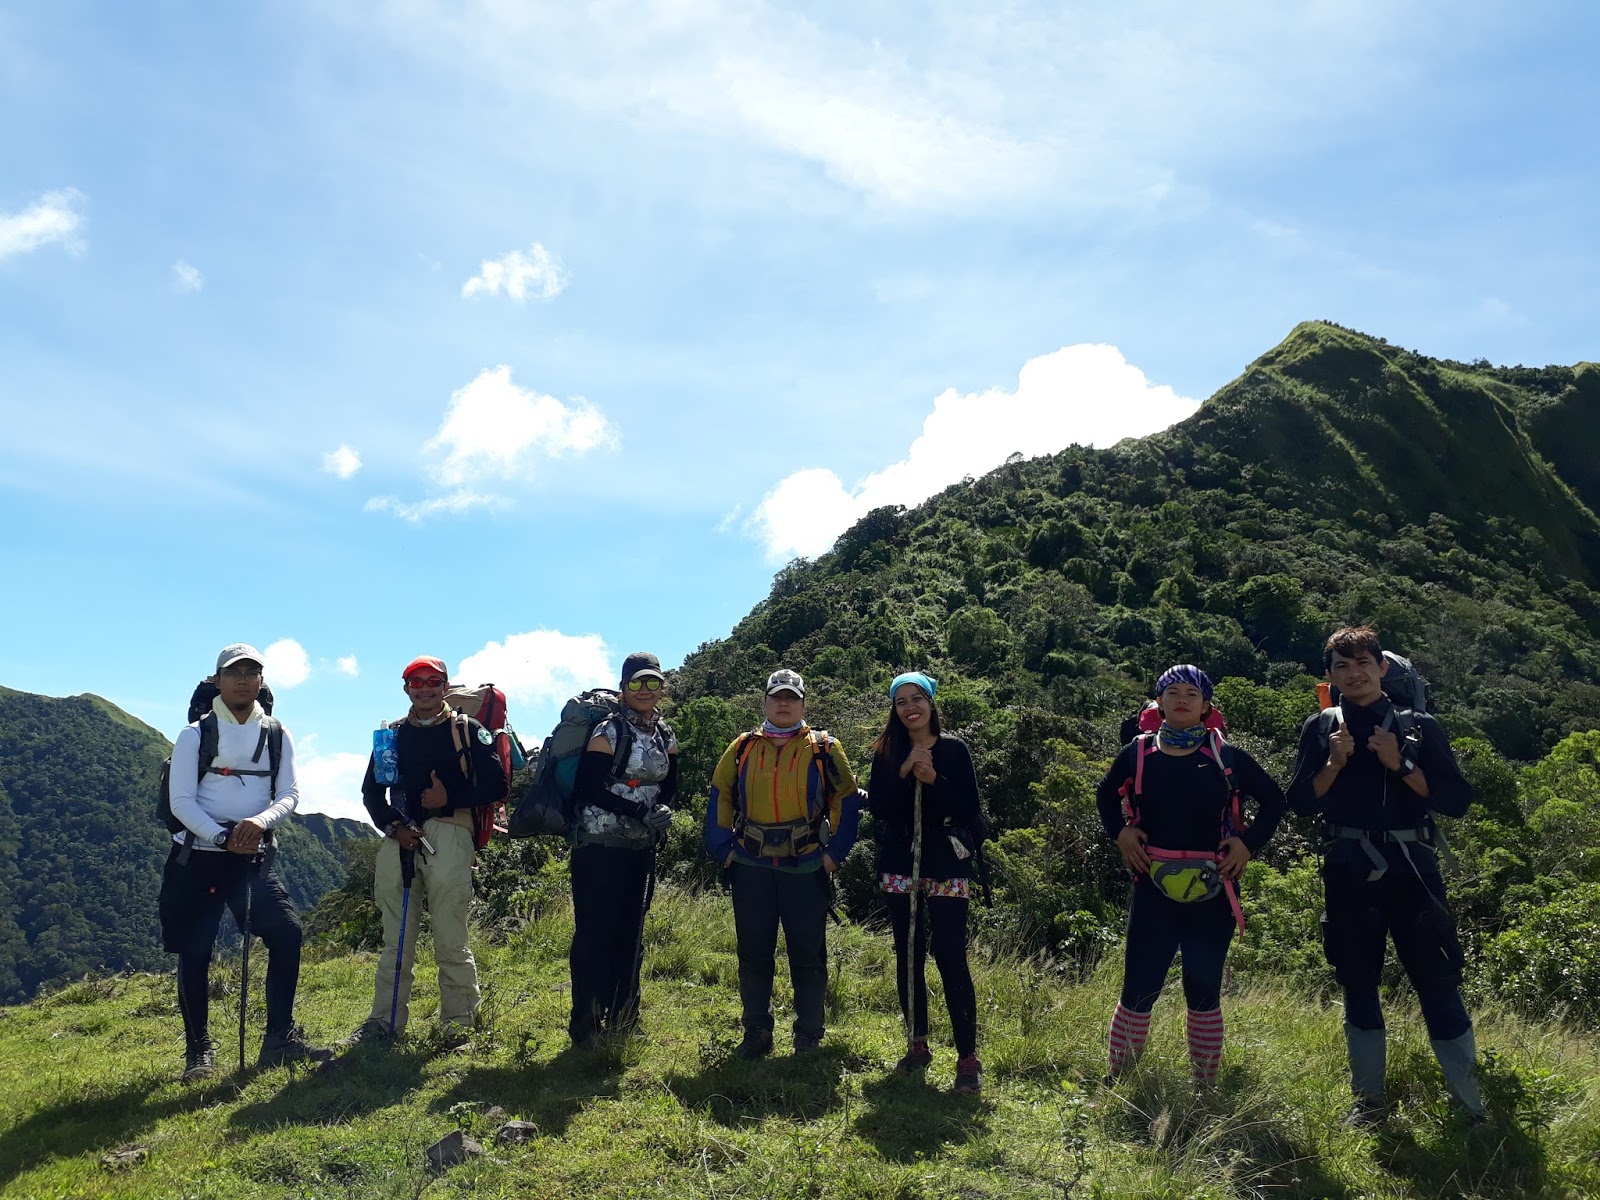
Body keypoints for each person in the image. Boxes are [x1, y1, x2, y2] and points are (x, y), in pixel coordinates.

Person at [1287, 626, 1480, 1124]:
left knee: (1437, 978)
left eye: (1363, 663)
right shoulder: (1321, 727)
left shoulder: (1419, 727)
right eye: (1342, 666)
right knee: (1357, 981)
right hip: (1349, 869)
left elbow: (1456, 800)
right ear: (1329, 675)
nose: (1354, 674)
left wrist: (1400, 762)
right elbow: (1300, 802)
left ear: (1383, 668)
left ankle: (1469, 1104)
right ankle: (1368, 1103)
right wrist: (1333, 763)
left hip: (1412, 869)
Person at [1095, 664, 1285, 1087]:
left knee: (1204, 993)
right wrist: (1120, 833)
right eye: (1172, 692)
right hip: (1152, 887)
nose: (1182, 699)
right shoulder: (1138, 754)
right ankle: (1120, 1080)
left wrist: (1247, 845)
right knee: (1139, 989)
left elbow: (1274, 800)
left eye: (1192, 694)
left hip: (1212, 889)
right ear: (1159, 703)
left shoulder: (1226, 758)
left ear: (1205, 706)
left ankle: (1204, 1085)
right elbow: (1105, 793)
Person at [160, 643, 328, 1080]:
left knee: (287, 934)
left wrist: (256, 823)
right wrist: (220, 836)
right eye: (234, 672)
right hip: (198, 857)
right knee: (195, 951)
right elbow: (180, 801)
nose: (242, 679)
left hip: (249, 857)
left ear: (261, 681)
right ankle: (198, 1051)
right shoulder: (194, 735)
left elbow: (289, 794)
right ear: (216, 681)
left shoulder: (276, 734)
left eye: (251, 672)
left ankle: (279, 1039)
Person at [349, 654, 508, 1050]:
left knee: (451, 936)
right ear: (406, 689)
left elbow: (497, 785)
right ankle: (384, 1023)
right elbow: (371, 792)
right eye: (415, 682)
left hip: (452, 833)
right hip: (400, 837)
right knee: (395, 939)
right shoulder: (392, 735)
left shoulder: (468, 730)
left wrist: (447, 797)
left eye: (431, 682)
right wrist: (393, 827)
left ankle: (459, 1024)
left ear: (445, 686)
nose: (423, 689)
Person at [705, 668, 860, 1058]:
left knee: (808, 954)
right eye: (777, 697)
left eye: (792, 697)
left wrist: (833, 854)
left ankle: (809, 1032)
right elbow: (720, 792)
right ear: (766, 703)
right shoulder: (742, 747)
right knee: (753, 952)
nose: (784, 703)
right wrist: (722, 847)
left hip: (807, 865)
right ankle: (756, 1031)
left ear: (804, 703)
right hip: (751, 864)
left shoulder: (825, 747)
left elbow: (846, 796)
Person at [865, 671, 985, 1094]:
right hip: (901, 863)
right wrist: (902, 772)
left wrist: (933, 780)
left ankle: (968, 1057)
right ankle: (917, 1043)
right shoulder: (886, 752)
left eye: (917, 699)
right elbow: (880, 807)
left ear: (932, 704)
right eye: (901, 701)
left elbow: (968, 807)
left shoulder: (954, 749)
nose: (910, 707)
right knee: (908, 952)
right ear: (894, 710)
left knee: (951, 955)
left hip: (946, 863)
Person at [568, 652, 679, 1048]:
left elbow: (669, 785)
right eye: (637, 683)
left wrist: (661, 809)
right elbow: (589, 787)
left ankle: (625, 1018)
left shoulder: (665, 735)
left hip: (639, 848)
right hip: (598, 846)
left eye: (652, 683)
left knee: (631, 933)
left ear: (662, 687)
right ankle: (585, 1024)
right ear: (623, 687)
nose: (644, 690)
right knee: (595, 932)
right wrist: (638, 810)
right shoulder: (607, 731)